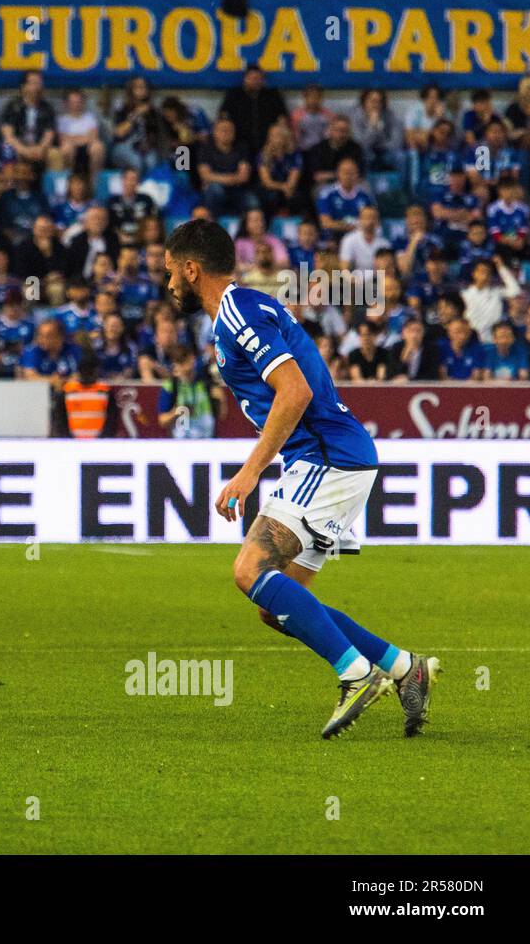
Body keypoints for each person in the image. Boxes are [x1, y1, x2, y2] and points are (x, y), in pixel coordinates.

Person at [163, 218, 438, 740]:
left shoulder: (237, 311)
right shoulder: (241, 308)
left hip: (327, 458)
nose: (169, 282)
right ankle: (404, 668)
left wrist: (248, 473)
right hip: (334, 457)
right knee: (279, 603)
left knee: (249, 571)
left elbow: (294, 393)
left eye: (171, 272)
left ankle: (356, 674)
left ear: (192, 269)